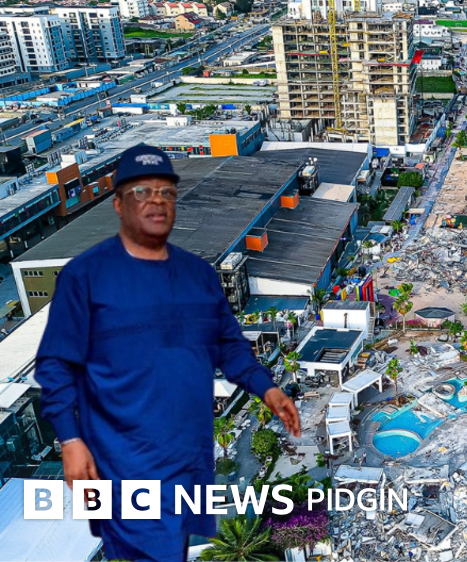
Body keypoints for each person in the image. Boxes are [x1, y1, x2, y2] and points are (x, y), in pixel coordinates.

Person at [36, 144, 302, 562]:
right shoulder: (85, 277)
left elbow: (227, 344)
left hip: (187, 454)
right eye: (142, 191)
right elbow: (55, 365)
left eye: (166, 192)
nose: (157, 200)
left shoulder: (197, 275)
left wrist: (266, 388)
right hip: (123, 458)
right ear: (118, 204)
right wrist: (70, 439)